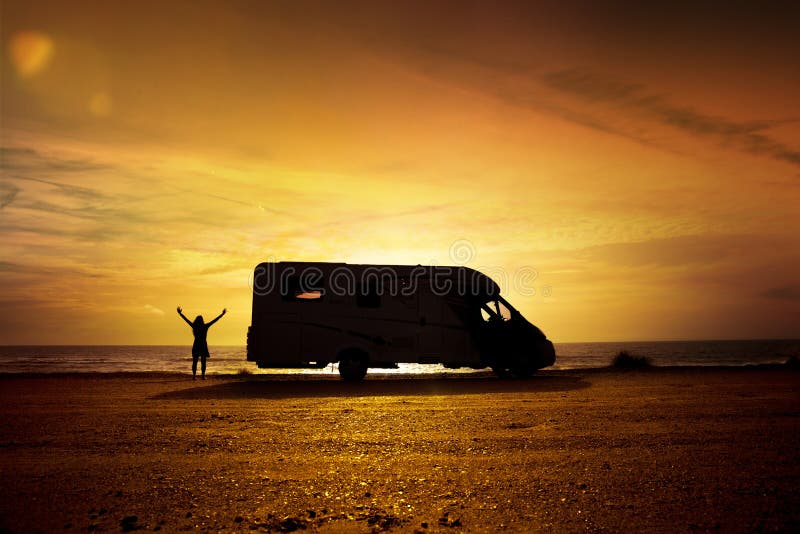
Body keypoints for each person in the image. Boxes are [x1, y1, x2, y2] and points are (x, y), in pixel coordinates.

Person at [177, 306, 226, 380]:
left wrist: (180, 313)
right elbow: (214, 320)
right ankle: (203, 376)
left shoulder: (194, 326)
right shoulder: (205, 326)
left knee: (195, 361)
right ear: (202, 320)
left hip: (196, 345)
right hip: (203, 345)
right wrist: (222, 314)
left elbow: (186, 320)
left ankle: (194, 376)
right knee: (203, 361)